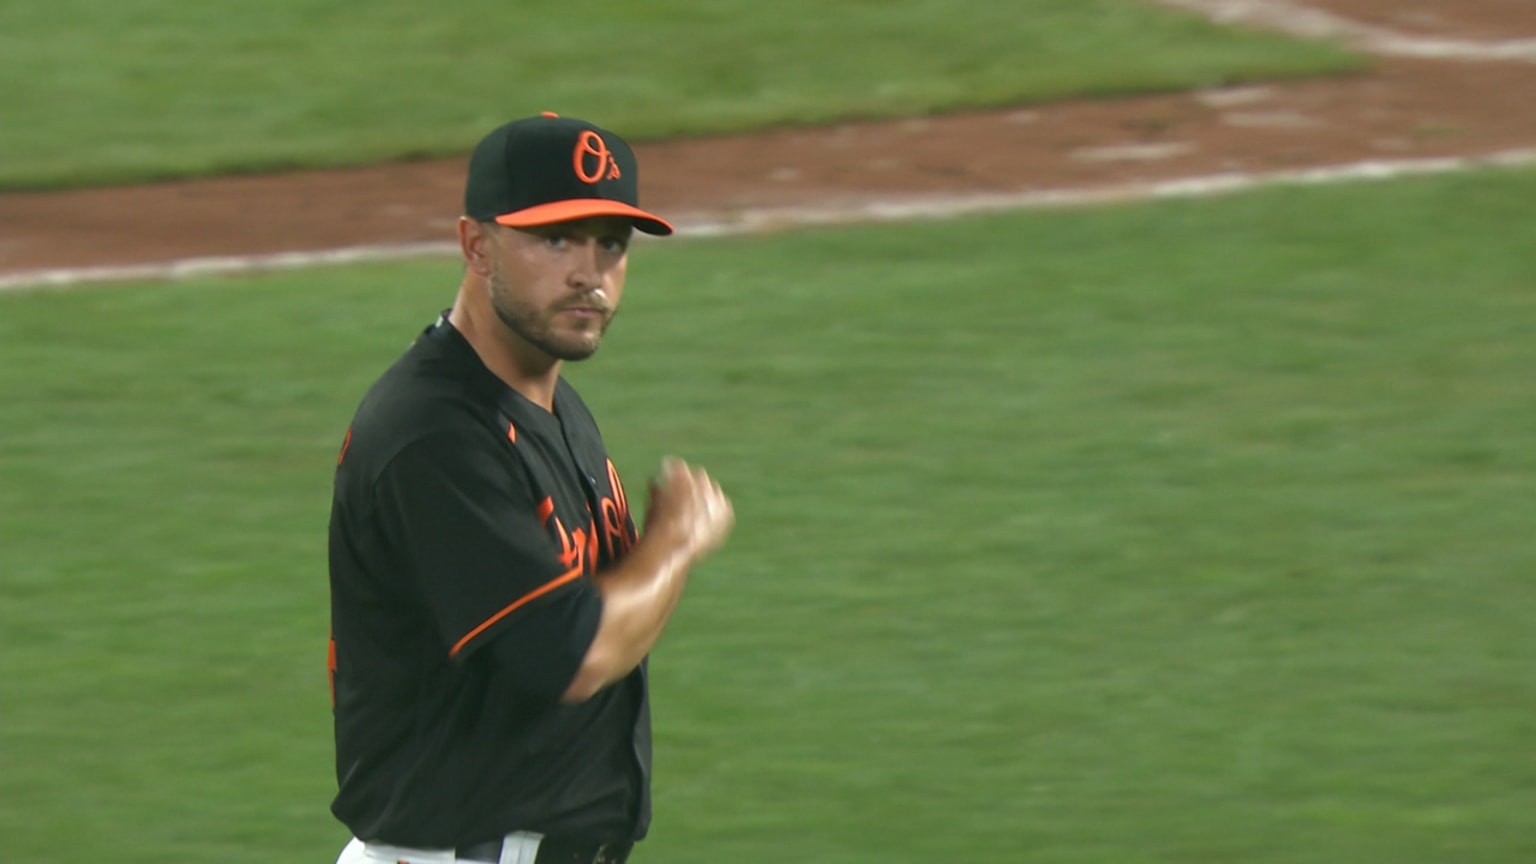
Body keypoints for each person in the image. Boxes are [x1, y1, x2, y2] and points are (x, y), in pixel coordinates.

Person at [327, 112, 734, 864]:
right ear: (476, 246)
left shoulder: (551, 403)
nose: (590, 272)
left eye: (610, 243)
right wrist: (673, 546)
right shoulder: (434, 434)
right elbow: (572, 656)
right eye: (555, 240)